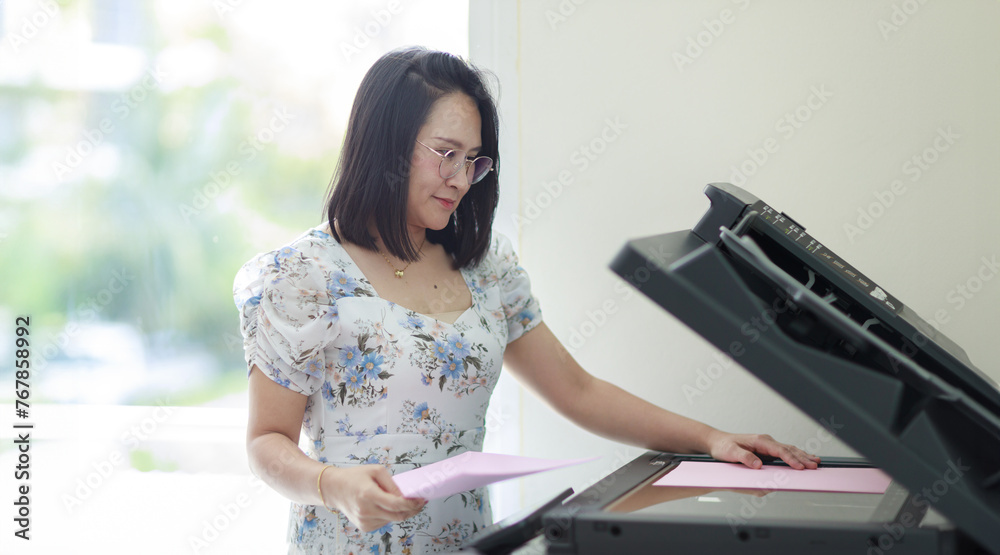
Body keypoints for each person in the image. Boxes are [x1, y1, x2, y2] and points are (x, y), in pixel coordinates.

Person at [233, 46, 819, 554]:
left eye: (473, 160)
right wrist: (333, 485)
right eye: (445, 153)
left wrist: (711, 440)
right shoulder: (302, 275)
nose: (461, 179)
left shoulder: (487, 268)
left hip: (468, 540)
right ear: (387, 144)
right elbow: (267, 443)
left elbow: (579, 391)